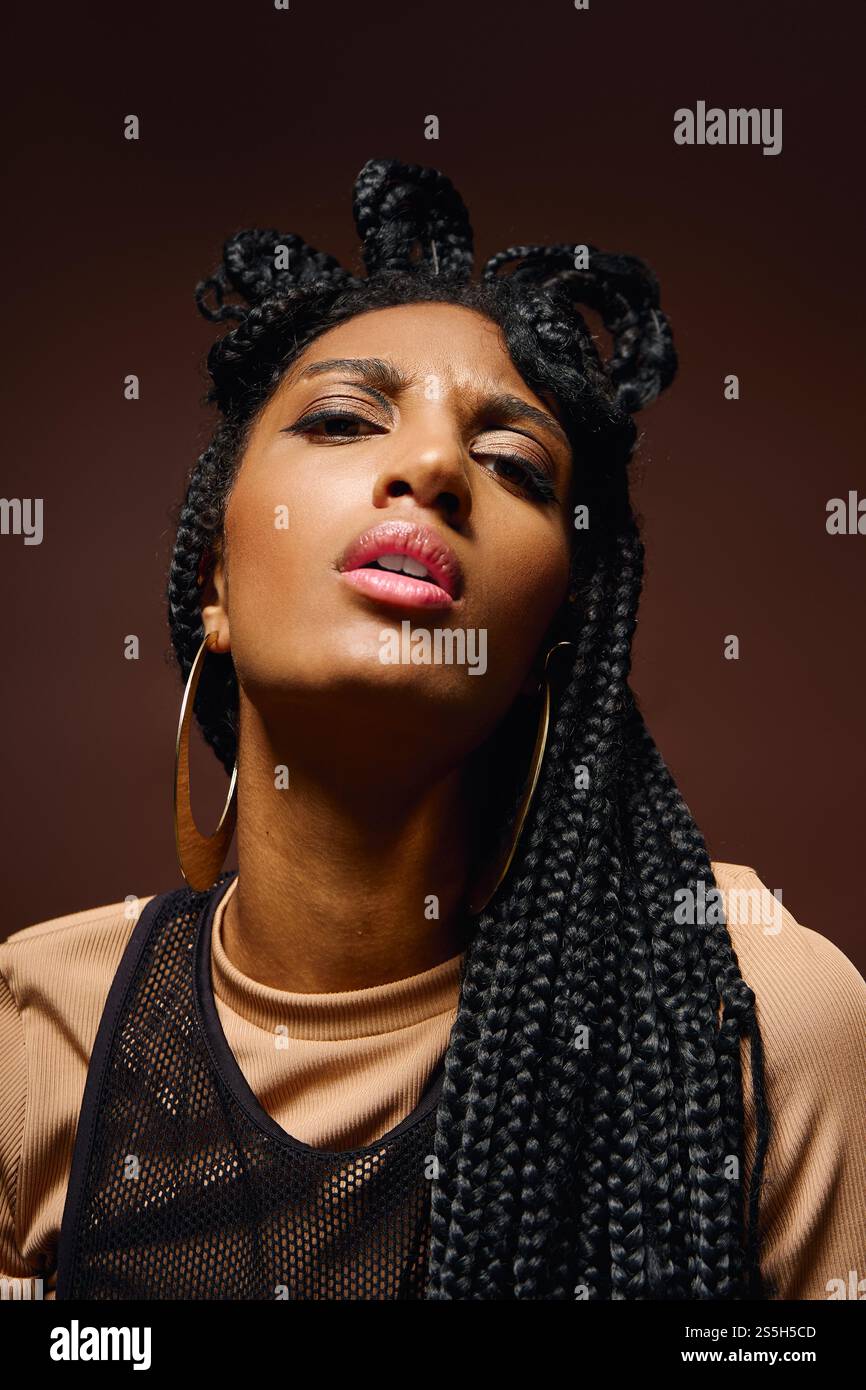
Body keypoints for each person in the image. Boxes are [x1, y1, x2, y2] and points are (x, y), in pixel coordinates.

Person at [1, 158, 864, 1301]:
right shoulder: (37, 1026)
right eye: (345, 419)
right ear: (211, 578)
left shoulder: (750, 1017)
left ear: (552, 640)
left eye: (510, 464)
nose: (429, 467)